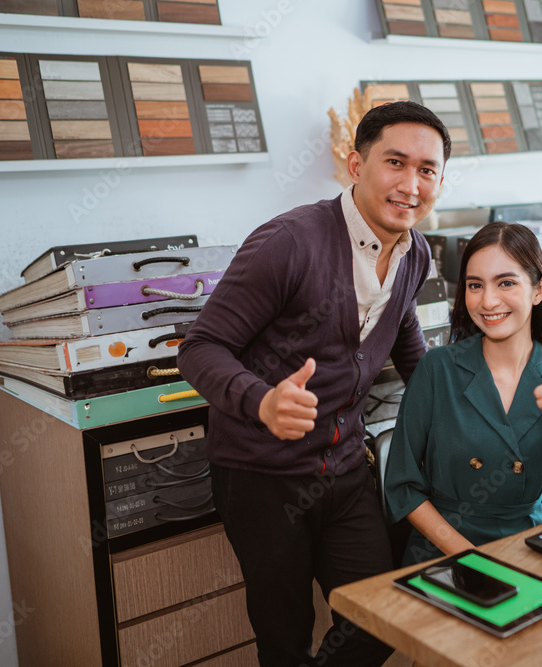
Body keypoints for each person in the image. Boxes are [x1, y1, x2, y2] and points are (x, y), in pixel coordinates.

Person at [176, 101, 449, 667]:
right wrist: (262, 401)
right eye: (394, 162)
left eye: (427, 170)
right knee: (284, 640)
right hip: (261, 477)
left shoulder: (416, 251)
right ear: (356, 165)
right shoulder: (288, 242)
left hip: (346, 470)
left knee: (380, 618)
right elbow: (200, 348)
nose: (410, 183)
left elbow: (404, 335)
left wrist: (456, 406)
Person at [384, 222, 542, 565]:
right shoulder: (436, 369)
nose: (488, 301)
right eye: (475, 285)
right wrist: (471, 557)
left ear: (538, 289)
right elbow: (402, 486)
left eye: (506, 283)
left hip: (528, 547)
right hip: (442, 552)